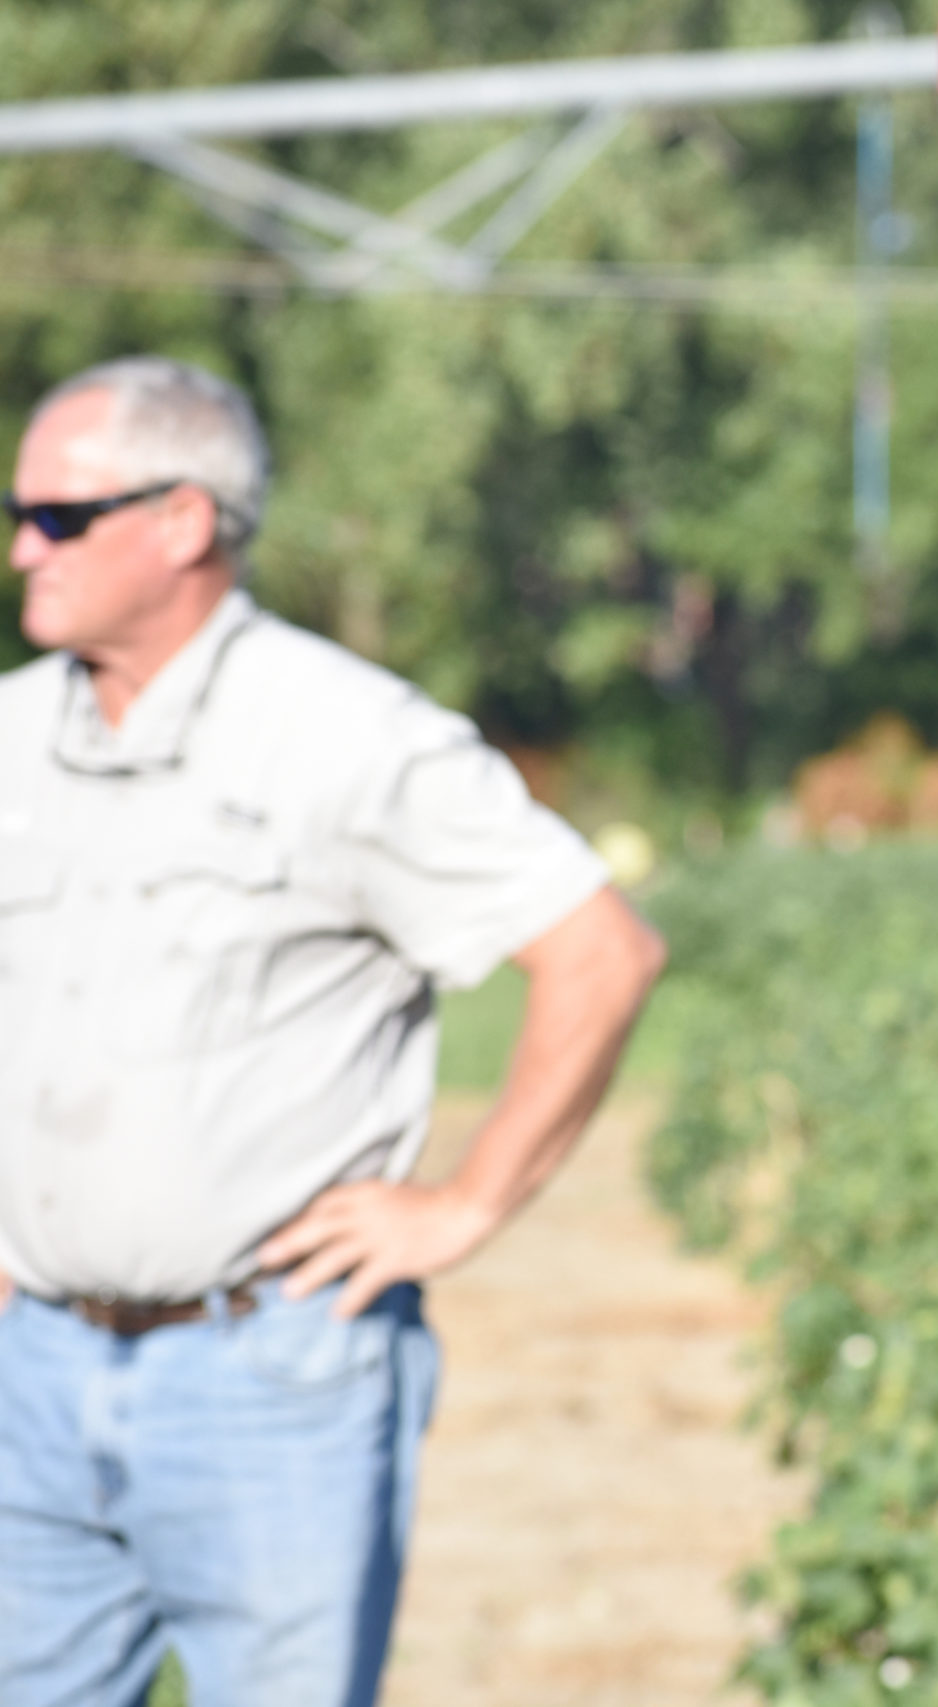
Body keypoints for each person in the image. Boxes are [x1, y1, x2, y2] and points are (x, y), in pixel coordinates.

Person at [0, 356, 665, 1706]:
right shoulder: (15, 735)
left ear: (183, 522)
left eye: (59, 518)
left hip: (269, 1376)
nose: (25, 547)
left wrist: (463, 1207)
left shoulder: (348, 738)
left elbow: (600, 952)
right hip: (35, 1365)